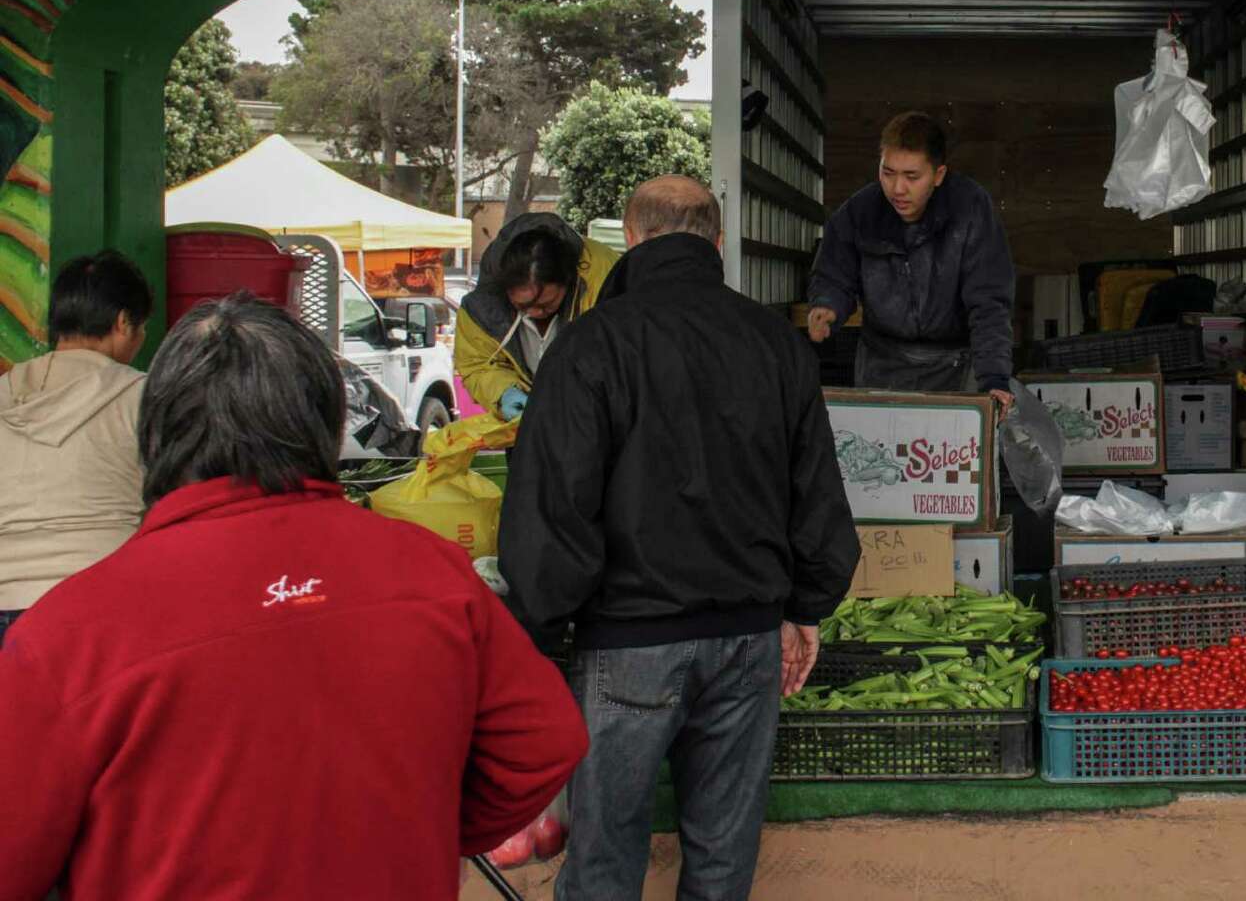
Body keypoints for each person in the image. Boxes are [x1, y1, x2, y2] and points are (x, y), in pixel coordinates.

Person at [0, 296, 588, 900]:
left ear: (155, 436)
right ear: (325, 425)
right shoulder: (431, 572)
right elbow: (544, 740)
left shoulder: (67, 632)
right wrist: (431, 831)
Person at [501, 176, 859, 901]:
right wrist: (805, 607)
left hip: (628, 643)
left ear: (629, 240)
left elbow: (552, 507)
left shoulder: (589, 346)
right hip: (748, 641)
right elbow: (817, 493)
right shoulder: (775, 344)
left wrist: (540, 630)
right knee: (722, 866)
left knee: (604, 863)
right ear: (718, 242)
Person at [807, 112, 1015, 409]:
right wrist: (827, 305)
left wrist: (994, 378)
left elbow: (990, 303)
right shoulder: (858, 212)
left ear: (939, 175)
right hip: (880, 364)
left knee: (950, 453)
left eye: (912, 177)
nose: (897, 189)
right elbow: (833, 273)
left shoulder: (971, 209)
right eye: (888, 173)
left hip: (956, 364)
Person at [0, 251, 151, 648]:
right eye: (141, 329)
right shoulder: (142, 395)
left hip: (6, 606)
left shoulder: (2, 393)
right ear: (123, 322)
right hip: (102, 602)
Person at [456, 212, 618, 421]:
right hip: (526, 427)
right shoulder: (480, 309)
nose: (534, 313)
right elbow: (476, 365)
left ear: (568, 281)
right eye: (522, 305)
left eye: (545, 305)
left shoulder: (606, 282)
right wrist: (503, 392)